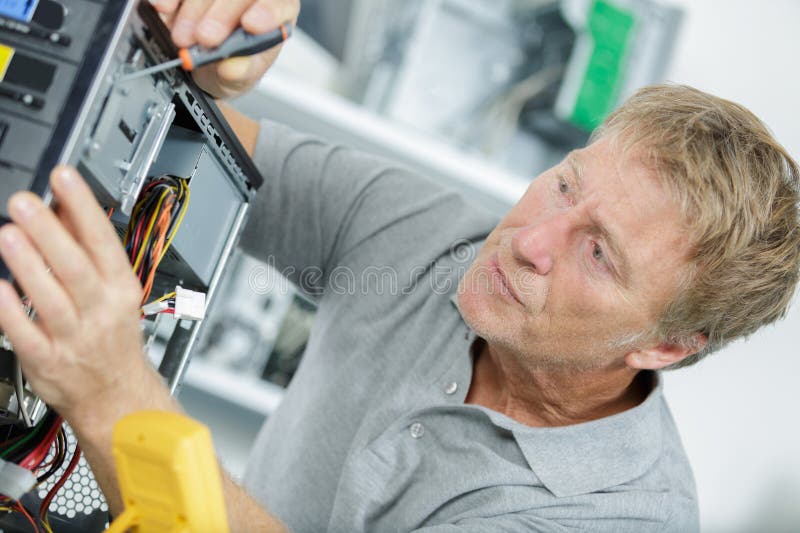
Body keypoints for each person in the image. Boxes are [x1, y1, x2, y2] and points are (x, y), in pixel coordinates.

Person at [0, 1, 797, 531]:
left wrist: (114, 397)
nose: (530, 239)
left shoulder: (613, 517)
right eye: (566, 183)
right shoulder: (442, 244)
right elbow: (206, 140)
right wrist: (202, 53)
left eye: (598, 253)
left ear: (664, 345)